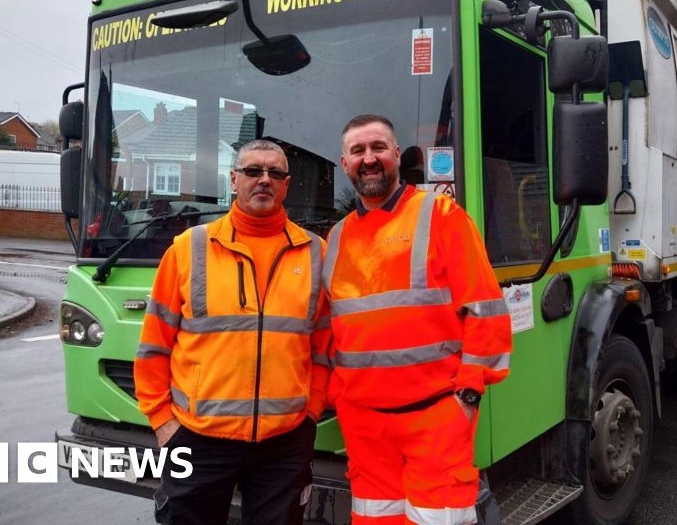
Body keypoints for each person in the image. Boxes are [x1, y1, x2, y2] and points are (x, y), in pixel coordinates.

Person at [323, 115, 512, 524]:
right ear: (344, 163)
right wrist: (339, 394)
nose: (368, 159)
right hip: (365, 426)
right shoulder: (336, 238)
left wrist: (467, 397)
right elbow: (330, 326)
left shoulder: (441, 215)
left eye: (377, 148)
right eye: (358, 151)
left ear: (396, 154)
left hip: (436, 419)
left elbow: (485, 309)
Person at [135, 139, 331, 525]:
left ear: (286, 185)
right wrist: (164, 424)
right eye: (253, 171)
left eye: (275, 173)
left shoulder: (315, 253)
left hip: (285, 444)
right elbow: (154, 347)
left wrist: (310, 413)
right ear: (233, 179)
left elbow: (323, 350)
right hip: (196, 439)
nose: (264, 180)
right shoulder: (188, 248)